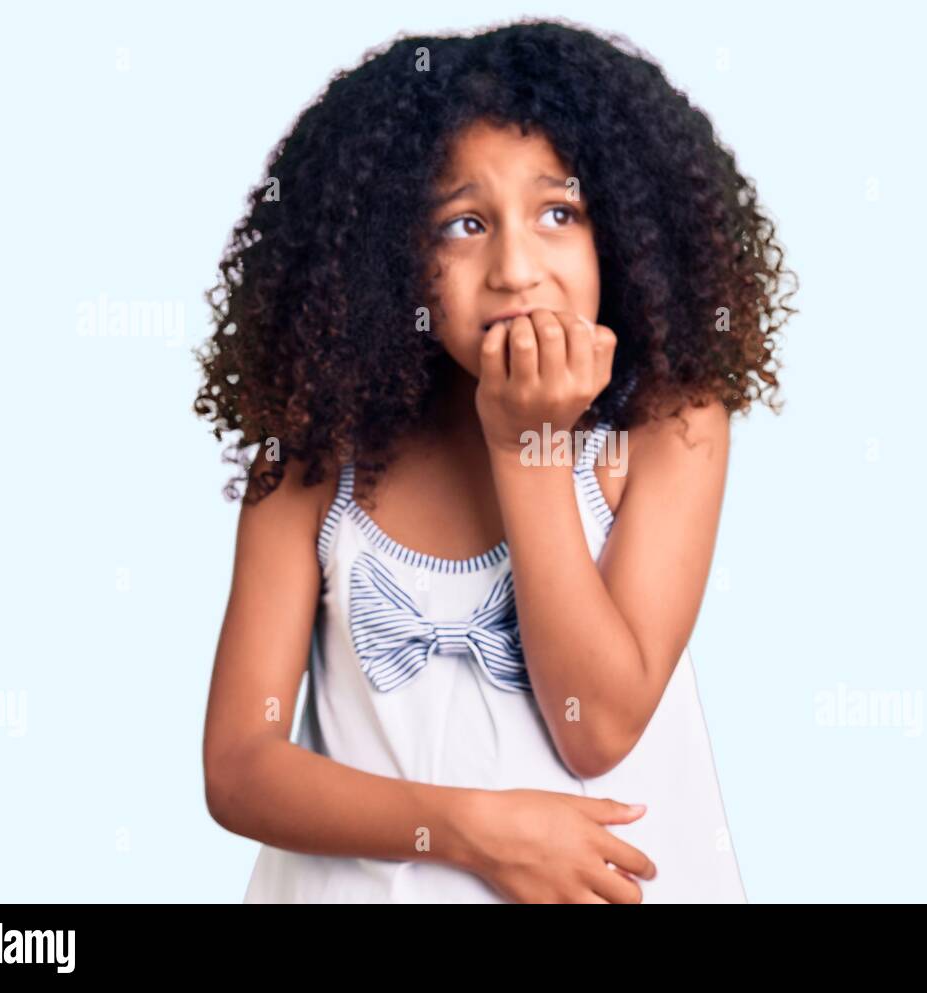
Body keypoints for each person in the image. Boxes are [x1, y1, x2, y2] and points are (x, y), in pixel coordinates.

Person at [196, 17, 795, 903]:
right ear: (392, 260)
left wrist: (529, 445)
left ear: (622, 236)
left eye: (559, 212)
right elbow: (239, 767)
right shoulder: (318, 449)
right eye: (463, 224)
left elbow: (597, 724)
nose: (516, 268)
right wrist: (474, 830)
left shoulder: (671, 425)